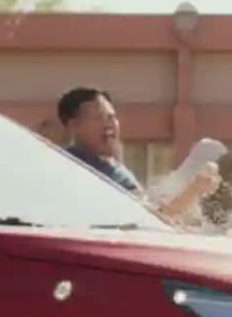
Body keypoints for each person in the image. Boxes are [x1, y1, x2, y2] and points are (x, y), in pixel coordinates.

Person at [57, 86, 217, 220]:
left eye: (111, 117)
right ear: (74, 126)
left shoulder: (109, 166)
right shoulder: (82, 171)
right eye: (98, 118)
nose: (109, 125)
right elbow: (153, 219)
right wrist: (195, 189)